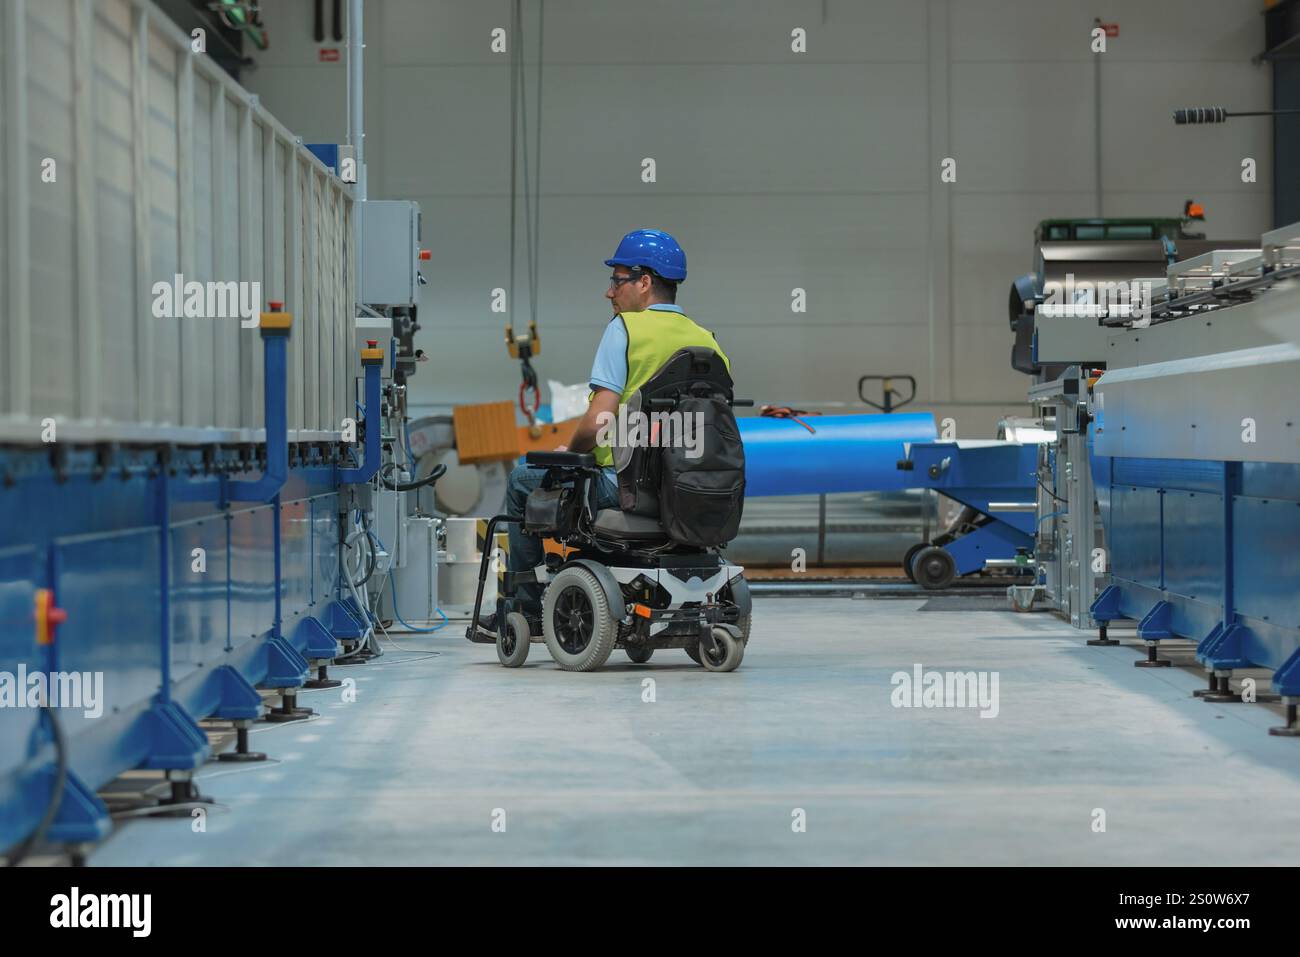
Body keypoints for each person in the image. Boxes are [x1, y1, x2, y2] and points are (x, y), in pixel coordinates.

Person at [484, 228, 730, 630]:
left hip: (626, 485)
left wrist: (570, 452)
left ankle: (524, 607)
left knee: (522, 480)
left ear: (644, 282)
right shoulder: (709, 343)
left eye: (616, 281)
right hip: (689, 489)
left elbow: (601, 419)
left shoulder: (626, 329)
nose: (609, 293)